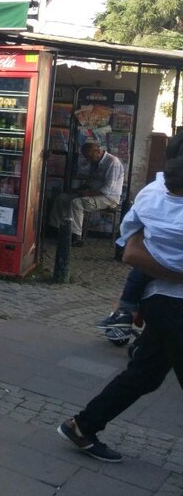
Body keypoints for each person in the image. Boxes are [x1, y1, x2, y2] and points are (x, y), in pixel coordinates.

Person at [58, 155, 183, 463]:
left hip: (157, 299)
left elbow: (131, 248)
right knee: (145, 374)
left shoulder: (151, 193)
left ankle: (82, 426)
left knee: (145, 375)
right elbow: (131, 253)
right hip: (174, 306)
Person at [95, 131, 183, 341]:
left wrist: (129, 238)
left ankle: (125, 312)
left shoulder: (151, 193)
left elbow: (129, 231)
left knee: (137, 277)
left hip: (153, 268)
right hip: (170, 300)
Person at [49, 139, 124, 246]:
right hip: (93, 193)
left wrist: (88, 193)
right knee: (62, 198)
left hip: (108, 198)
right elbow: (90, 181)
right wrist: (79, 190)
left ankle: (76, 236)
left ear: (97, 151)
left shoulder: (113, 162)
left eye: (90, 157)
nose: (89, 160)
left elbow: (108, 189)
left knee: (77, 203)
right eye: (87, 158)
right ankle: (55, 229)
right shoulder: (95, 162)